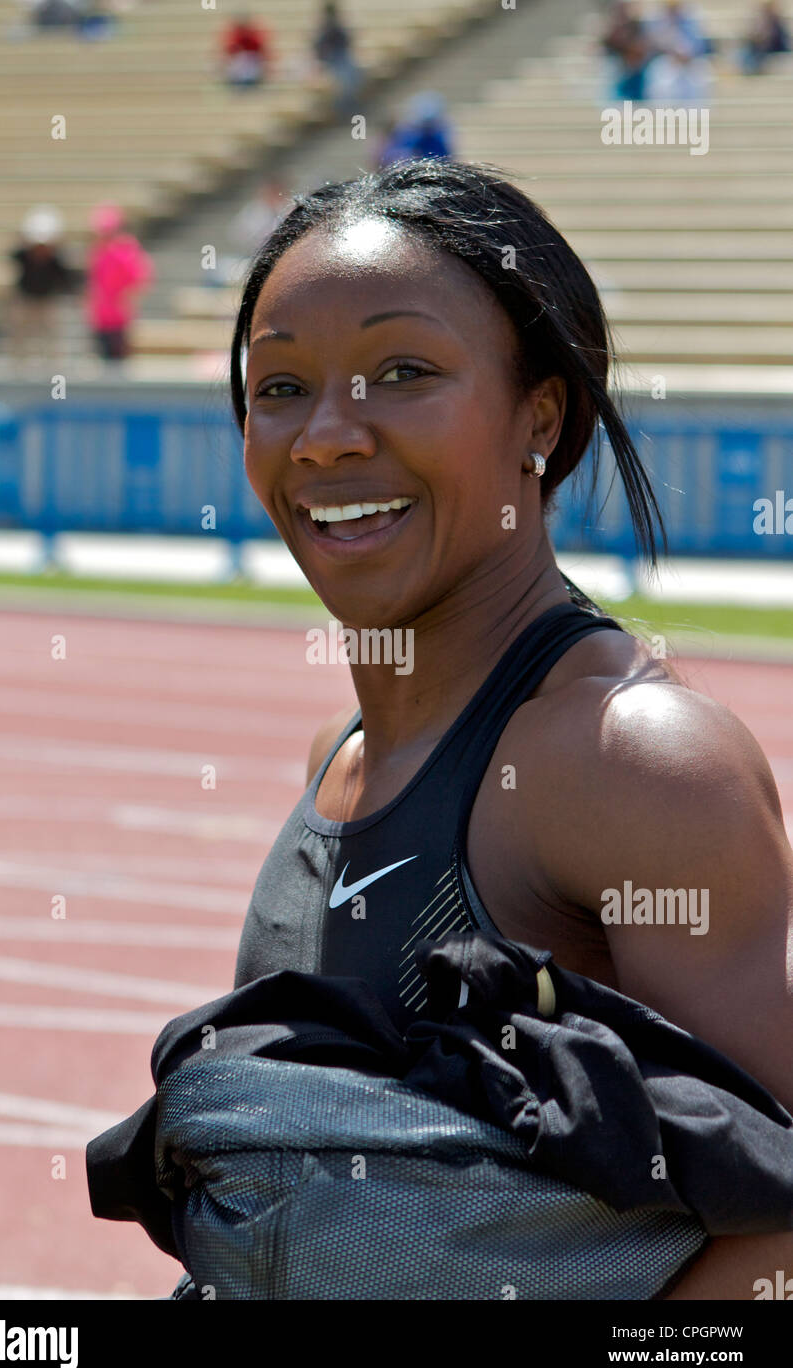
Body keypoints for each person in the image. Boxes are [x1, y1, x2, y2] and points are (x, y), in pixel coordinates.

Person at [228, 158, 793, 1298]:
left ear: (539, 413)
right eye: (280, 385)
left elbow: (783, 1225)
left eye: (401, 372)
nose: (327, 435)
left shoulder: (627, 760)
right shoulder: (337, 761)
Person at [8, 206, 76, 369]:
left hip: (48, 301)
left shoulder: (57, 260)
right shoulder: (23, 255)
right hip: (25, 300)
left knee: (52, 337)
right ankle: (19, 368)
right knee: (21, 336)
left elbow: (68, 281)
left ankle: (53, 370)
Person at [85, 203, 153, 362]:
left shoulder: (125, 250)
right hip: (101, 316)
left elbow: (140, 278)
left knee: (117, 360)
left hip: (119, 318)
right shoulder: (98, 251)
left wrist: (125, 297)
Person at [313, 1, 361, 116]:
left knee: (350, 80)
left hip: (340, 59)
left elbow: (347, 41)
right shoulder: (327, 28)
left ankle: (347, 108)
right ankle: (343, 110)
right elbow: (318, 46)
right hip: (334, 61)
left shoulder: (334, 27)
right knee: (344, 82)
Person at [739, 0, 791, 73]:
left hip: (771, 52)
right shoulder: (758, 23)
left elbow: (780, 42)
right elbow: (751, 41)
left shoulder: (777, 25)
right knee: (741, 55)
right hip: (757, 52)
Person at [219, 13, 270, 86]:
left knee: (247, 59)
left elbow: (261, 50)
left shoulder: (253, 36)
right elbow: (229, 51)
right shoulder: (235, 36)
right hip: (240, 67)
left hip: (252, 65)